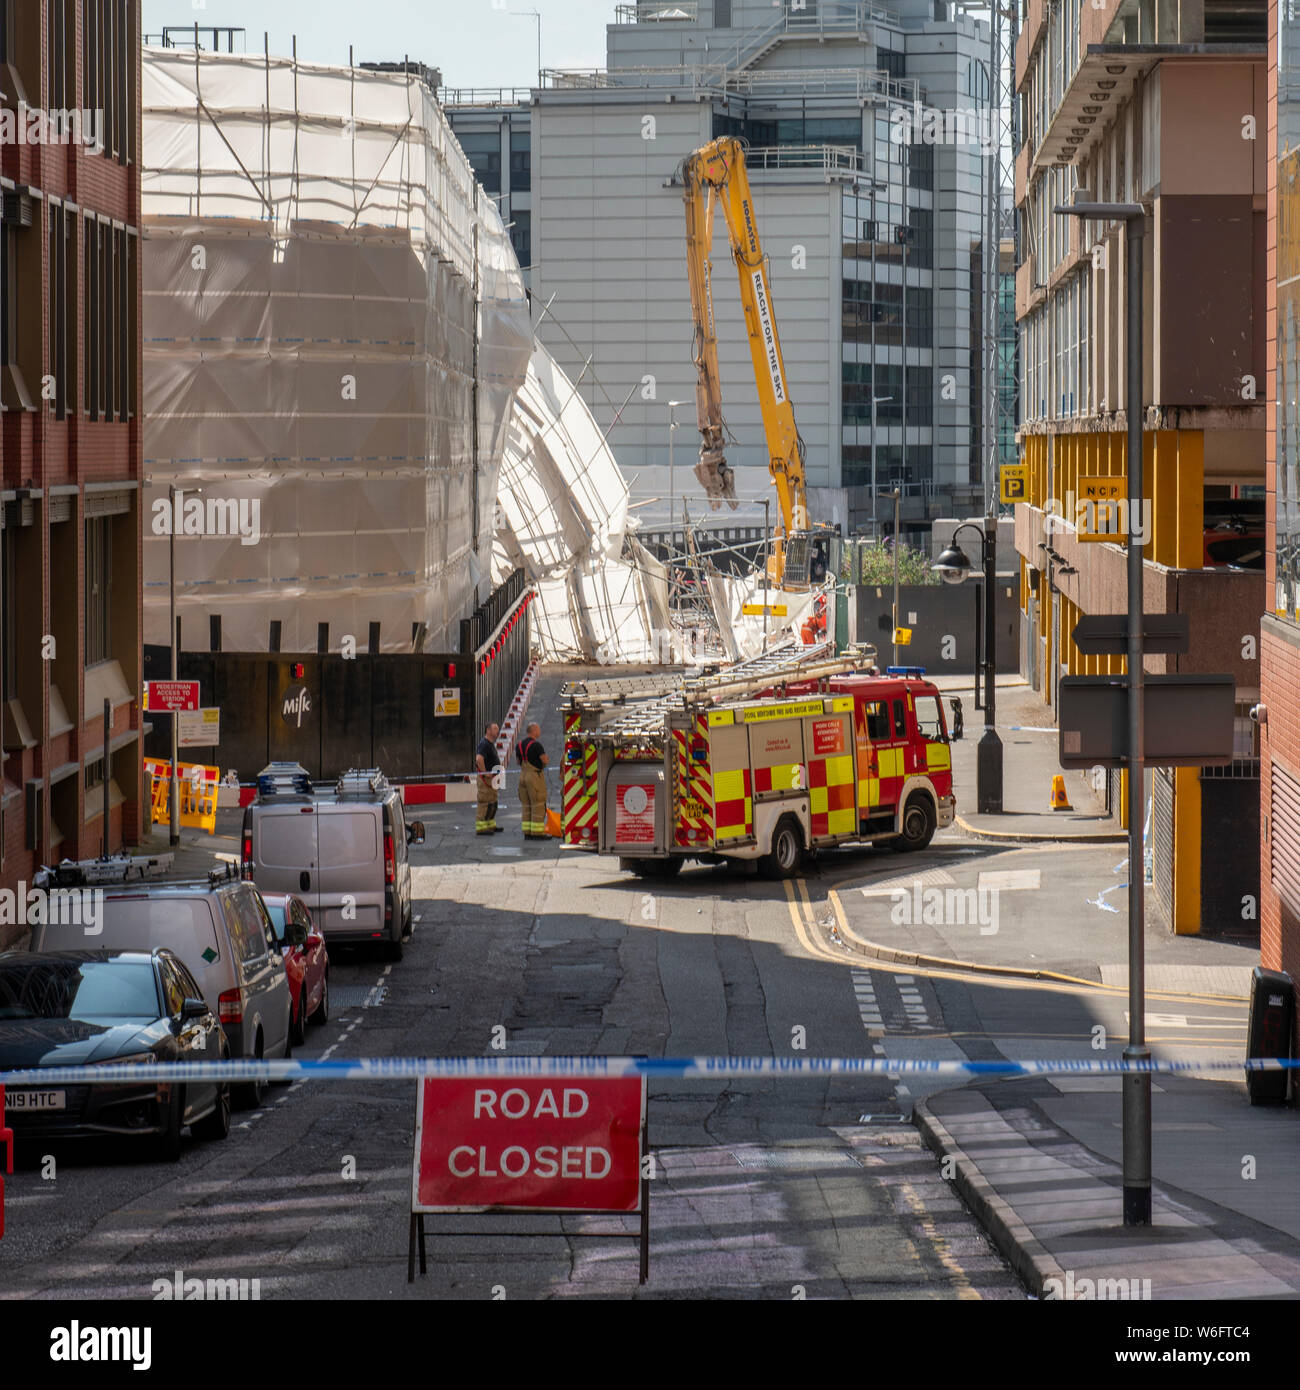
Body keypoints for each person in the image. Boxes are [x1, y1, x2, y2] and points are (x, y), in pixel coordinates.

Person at [515, 721, 550, 839]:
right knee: (538, 804)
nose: (539, 732)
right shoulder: (537, 745)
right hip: (534, 777)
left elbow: (518, 762)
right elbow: (545, 760)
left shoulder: (519, 745)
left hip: (523, 776)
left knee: (526, 804)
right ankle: (537, 833)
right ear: (534, 731)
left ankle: (527, 832)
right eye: (538, 729)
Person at [475, 721, 503, 835]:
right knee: (485, 802)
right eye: (495, 729)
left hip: (492, 779)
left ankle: (490, 825)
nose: (498, 731)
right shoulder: (484, 744)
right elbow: (479, 759)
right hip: (486, 779)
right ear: (488, 731)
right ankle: (481, 827)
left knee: (492, 802)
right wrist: (486, 773)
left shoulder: (489, 744)